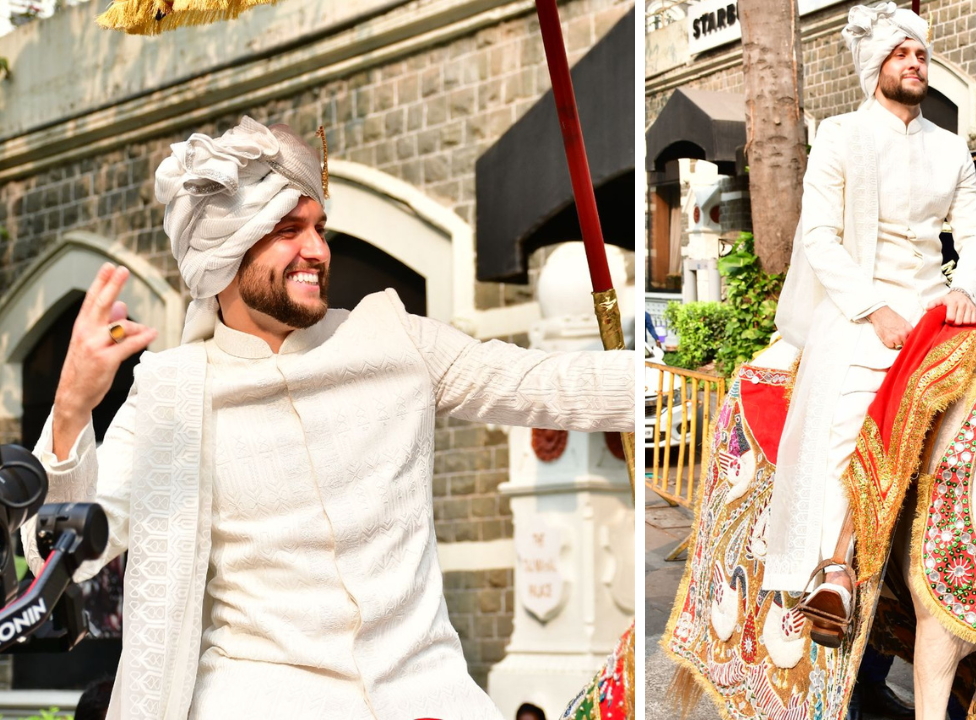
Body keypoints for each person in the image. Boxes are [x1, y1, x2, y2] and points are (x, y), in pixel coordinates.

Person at [22, 117, 633, 720]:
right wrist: (73, 407)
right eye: (288, 230)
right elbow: (62, 550)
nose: (317, 250)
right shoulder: (171, 394)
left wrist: (700, 381)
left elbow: (549, 385)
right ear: (225, 250)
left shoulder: (396, 340)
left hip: (429, 695)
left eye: (319, 227)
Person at [762, 0, 976, 642]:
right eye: (901, 54)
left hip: (934, 313)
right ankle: (832, 573)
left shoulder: (951, 147)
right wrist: (874, 309)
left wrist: (964, 289)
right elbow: (819, 238)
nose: (915, 63)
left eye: (921, 54)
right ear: (876, 67)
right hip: (858, 311)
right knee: (847, 435)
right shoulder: (840, 136)